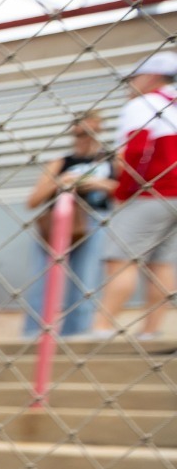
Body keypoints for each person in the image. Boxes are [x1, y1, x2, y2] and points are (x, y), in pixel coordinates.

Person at [97, 51, 177, 338]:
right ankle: (150, 331)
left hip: (151, 193)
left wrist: (121, 191)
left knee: (121, 259)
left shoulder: (144, 104)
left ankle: (102, 328)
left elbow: (136, 150)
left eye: (133, 78)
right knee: (162, 262)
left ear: (151, 76)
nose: (129, 85)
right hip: (174, 196)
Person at [22, 111, 115, 340]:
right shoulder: (62, 162)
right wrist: (60, 182)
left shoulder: (112, 159)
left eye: (90, 131)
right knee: (43, 278)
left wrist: (96, 183)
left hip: (96, 221)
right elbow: (33, 200)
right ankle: (34, 332)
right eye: (80, 132)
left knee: (85, 280)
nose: (85, 137)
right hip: (59, 221)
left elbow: (123, 189)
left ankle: (77, 332)